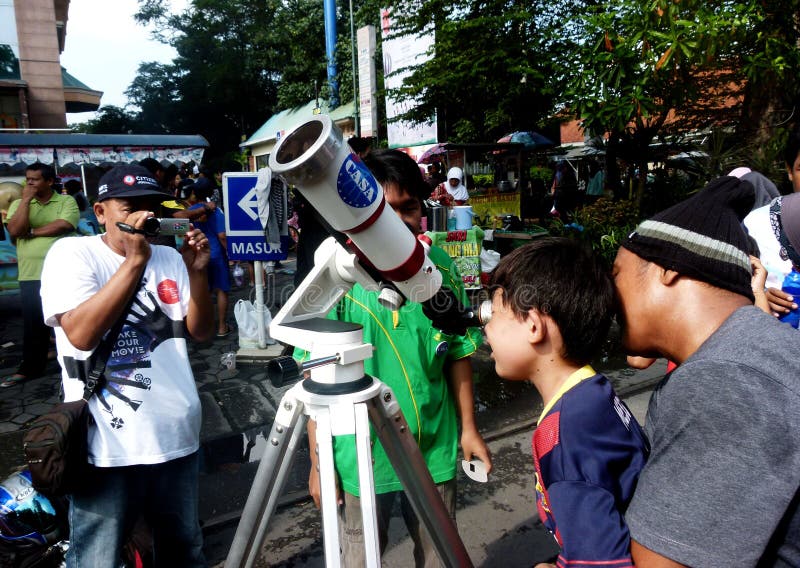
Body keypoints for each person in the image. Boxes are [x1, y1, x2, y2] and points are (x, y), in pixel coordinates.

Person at [299, 149, 492, 566]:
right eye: (386, 211)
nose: (400, 220)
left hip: (433, 450)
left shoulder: (437, 267)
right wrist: (319, 464)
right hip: (359, 456)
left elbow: (457, 351)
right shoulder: (340, 276)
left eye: (409, 207)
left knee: (440, 555)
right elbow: (317, 381)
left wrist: (469, 430)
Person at [612, 175, 800, 566]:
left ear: (668, 269)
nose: (609, 294)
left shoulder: (724, 380)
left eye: (616, 273)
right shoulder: (757, 349)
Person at [39, 164, 214, 567]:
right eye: (129, 206)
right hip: (106, 447)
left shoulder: (171, 257)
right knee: (97, 558)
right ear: (100, 212)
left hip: (176, 435)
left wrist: (196, 272)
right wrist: (134, 262)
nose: (142, 217)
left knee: (184, 550)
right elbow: (80, 335)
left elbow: (201, 332)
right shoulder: (72, 254)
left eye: (151, 207)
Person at [484, 237, 648, 567]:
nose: (485, 328)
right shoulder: (594, 392)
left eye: (494, 314)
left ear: (533, 325)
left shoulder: (564, 435)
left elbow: (600, 561)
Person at [2, 163, 79, 387]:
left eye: (35, 179)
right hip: (31, 273)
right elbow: (15, 231)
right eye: (27, 179)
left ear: (49, 181)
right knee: (34, 323)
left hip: (65, 271)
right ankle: (30, 367)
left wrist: (32, 232)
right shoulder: (18, 203)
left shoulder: (66, 201)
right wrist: (25, 200)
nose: (29, 183)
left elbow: (63, 225)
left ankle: (79, 361)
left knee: (70, 318)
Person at [188, 177, 232, 337]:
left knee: (202, 290)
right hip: (216, 255)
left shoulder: (192, 211)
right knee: (221, 290)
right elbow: (222, 235)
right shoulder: (216, 211)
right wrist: (231, 253)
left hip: (198, 254)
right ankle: (221, 327)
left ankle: (204, 327)